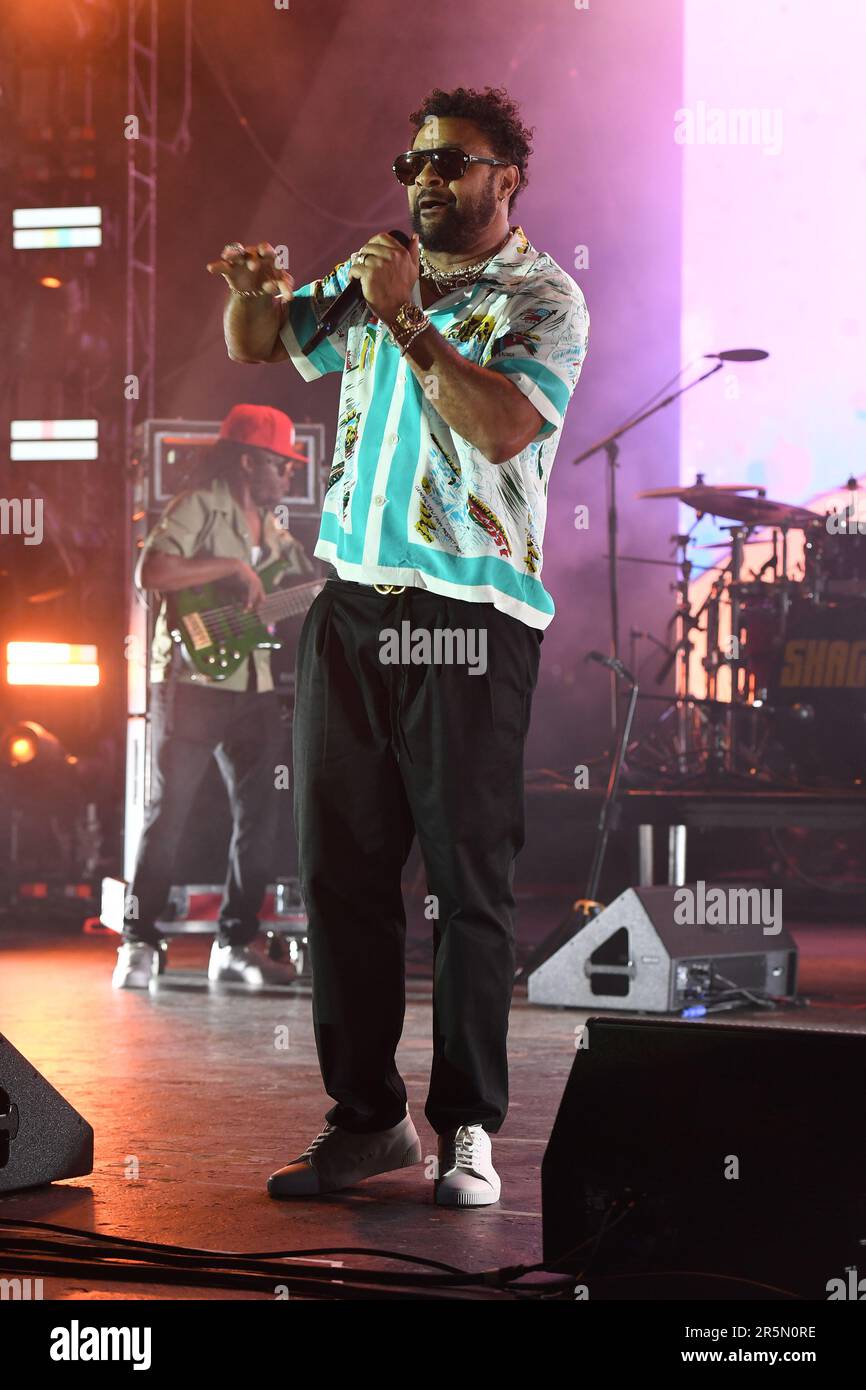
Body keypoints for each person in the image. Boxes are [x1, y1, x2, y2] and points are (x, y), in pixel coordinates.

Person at [209, 86, 589, 1205]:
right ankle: (366, 1120)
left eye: (452, 163)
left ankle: (467, 1124)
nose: (425, 179)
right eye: (414, 160)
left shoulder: (542, 297)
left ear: (506, 176)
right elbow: (262, 343)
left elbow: (504, 424)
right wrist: (254, 293)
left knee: (466, 878)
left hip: (466, 617)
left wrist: (410, 318)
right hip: (352, 607)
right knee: (340, 873)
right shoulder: (375, 264)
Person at [112, 404, 315, 991]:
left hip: (251, 687)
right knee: (168, 814)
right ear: (249, 461)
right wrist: (228, 565)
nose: (288, 477)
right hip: (189, 683)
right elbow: (151, 571)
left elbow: (304, 592)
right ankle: (139, 941)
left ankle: (233, 941)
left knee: (261, 818)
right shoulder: (197, 507)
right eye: (281, 465)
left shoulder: (276, 533)